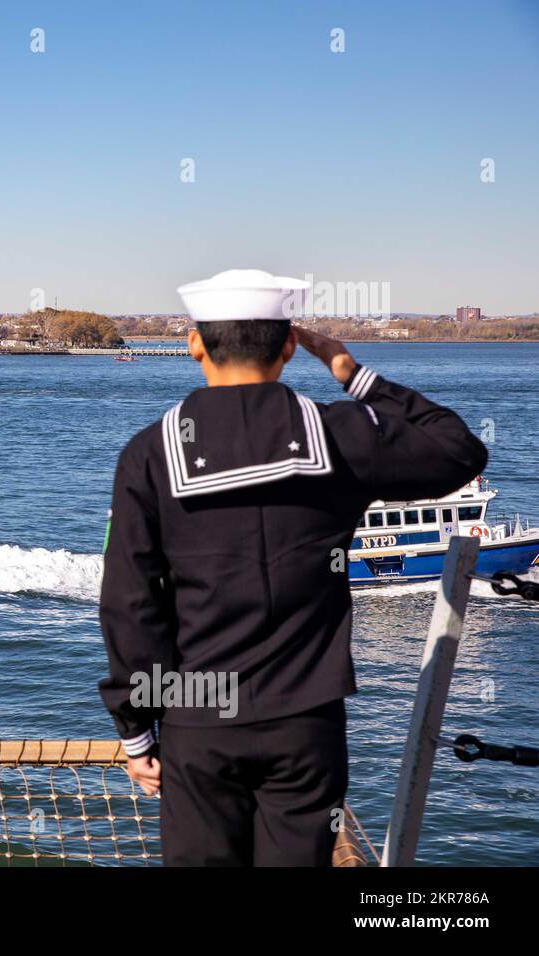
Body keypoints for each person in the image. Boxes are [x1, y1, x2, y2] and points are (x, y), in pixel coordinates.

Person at [97, 269, 487, 866]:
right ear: (288, 346)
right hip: (306, 721)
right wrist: (355, 375)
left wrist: (136, 731)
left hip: (197, 719)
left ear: (195, 344)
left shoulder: (150, 453)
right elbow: (460, 450)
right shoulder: (340, 434)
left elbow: (130, 605)